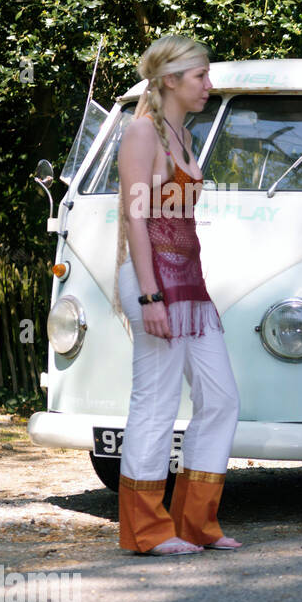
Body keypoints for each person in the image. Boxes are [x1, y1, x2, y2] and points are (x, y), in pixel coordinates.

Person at [114, 36, 241, 555]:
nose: (209, 86)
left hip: (190, 285)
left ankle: (196, 524)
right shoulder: (143, 132)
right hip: (154, 284)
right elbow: (135, 216)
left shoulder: (182, 135)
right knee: (156, 402)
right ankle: (146, 531)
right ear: (170, 80)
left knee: (222, 398)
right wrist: (150, 297)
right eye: (200, 77)